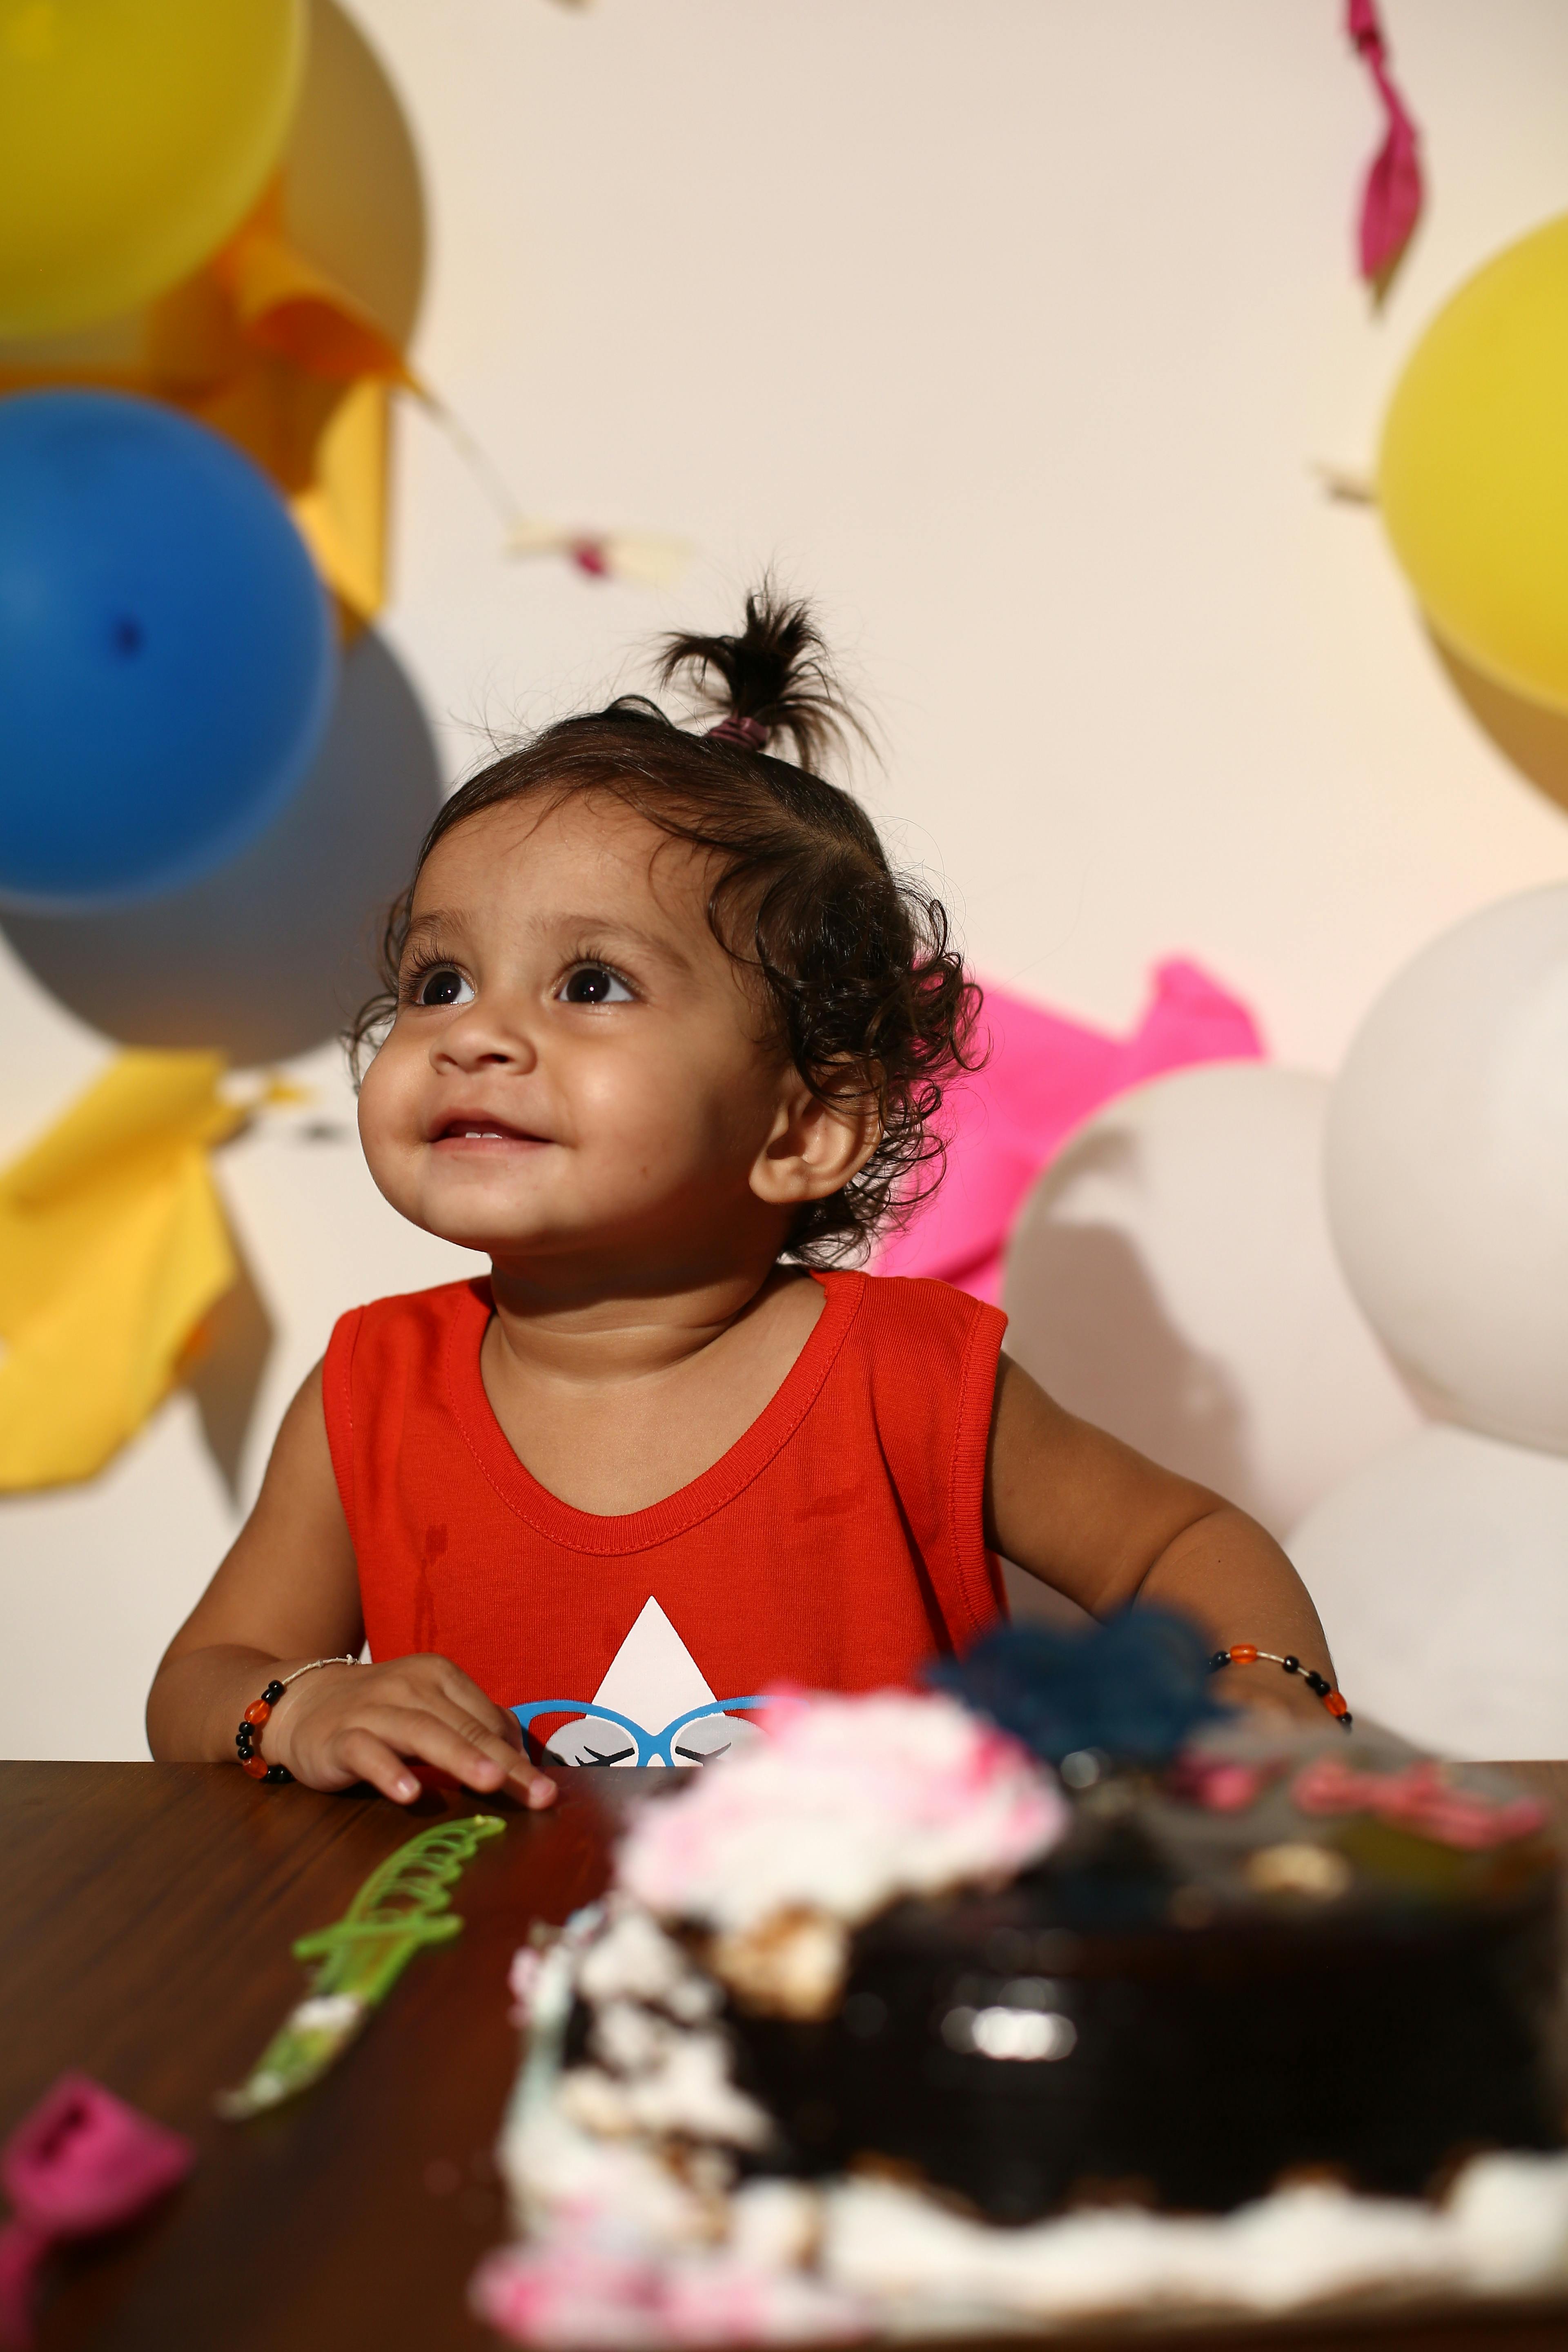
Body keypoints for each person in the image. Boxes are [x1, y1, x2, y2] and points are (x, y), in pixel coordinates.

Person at [147, 591, 1338, 1811]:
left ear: (805, 1125)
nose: (477, 1035)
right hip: (492, 1983)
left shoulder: (912, 1376)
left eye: (591, 982)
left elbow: (1180, 1544)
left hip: (859, 1971)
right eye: (439, 981)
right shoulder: (370, 1392)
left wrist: (1259, 1676)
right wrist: (301, 1705)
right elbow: (200, 1681)